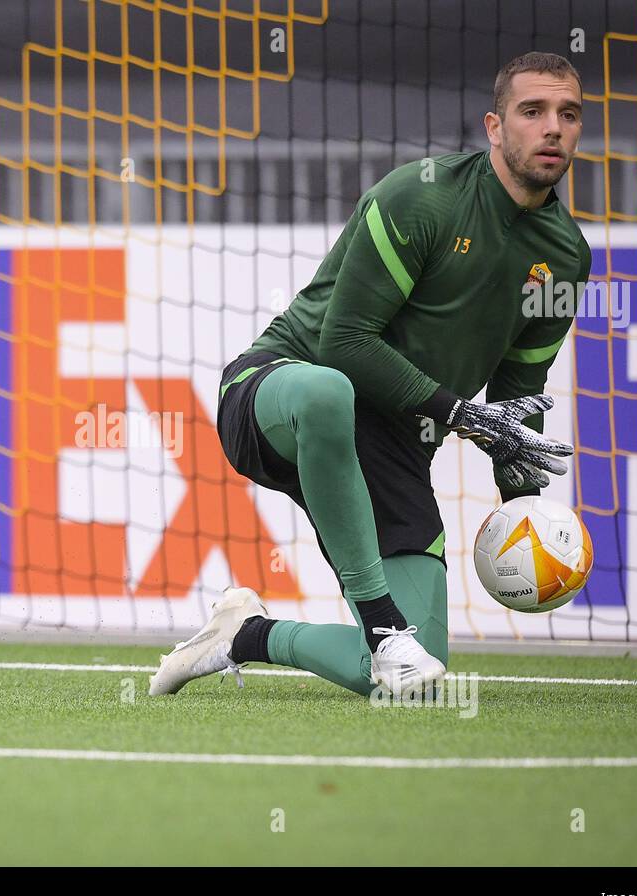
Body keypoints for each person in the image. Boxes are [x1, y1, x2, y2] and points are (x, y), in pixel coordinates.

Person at [150, 51, 591, 698]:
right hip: (281, 390)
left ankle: (244, 635)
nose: (552, 128)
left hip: (393, 445)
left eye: (568, 114)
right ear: (495, 128)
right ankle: (383, 628)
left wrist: (527, 518)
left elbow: (516, 405)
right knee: (329, 390)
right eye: (533, 112)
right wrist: (461, 415)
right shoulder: (423, 197)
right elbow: (346, 343)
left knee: (411, 674)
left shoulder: (565, 257)